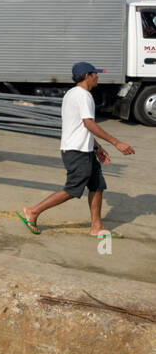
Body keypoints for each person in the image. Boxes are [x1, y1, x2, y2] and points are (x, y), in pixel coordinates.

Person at [18, 62, 135, 237]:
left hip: (83, 149)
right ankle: (33, 211)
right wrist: (116, 143)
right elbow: (89, 123)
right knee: (73, 189)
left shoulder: (73, 94)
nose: (98, 77)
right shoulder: (83, 95)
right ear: (87, 75)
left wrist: (97, 147)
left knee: (97, 186)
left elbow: (80, 126)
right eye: (96, 74)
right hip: (76, 151)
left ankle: (96, 227)